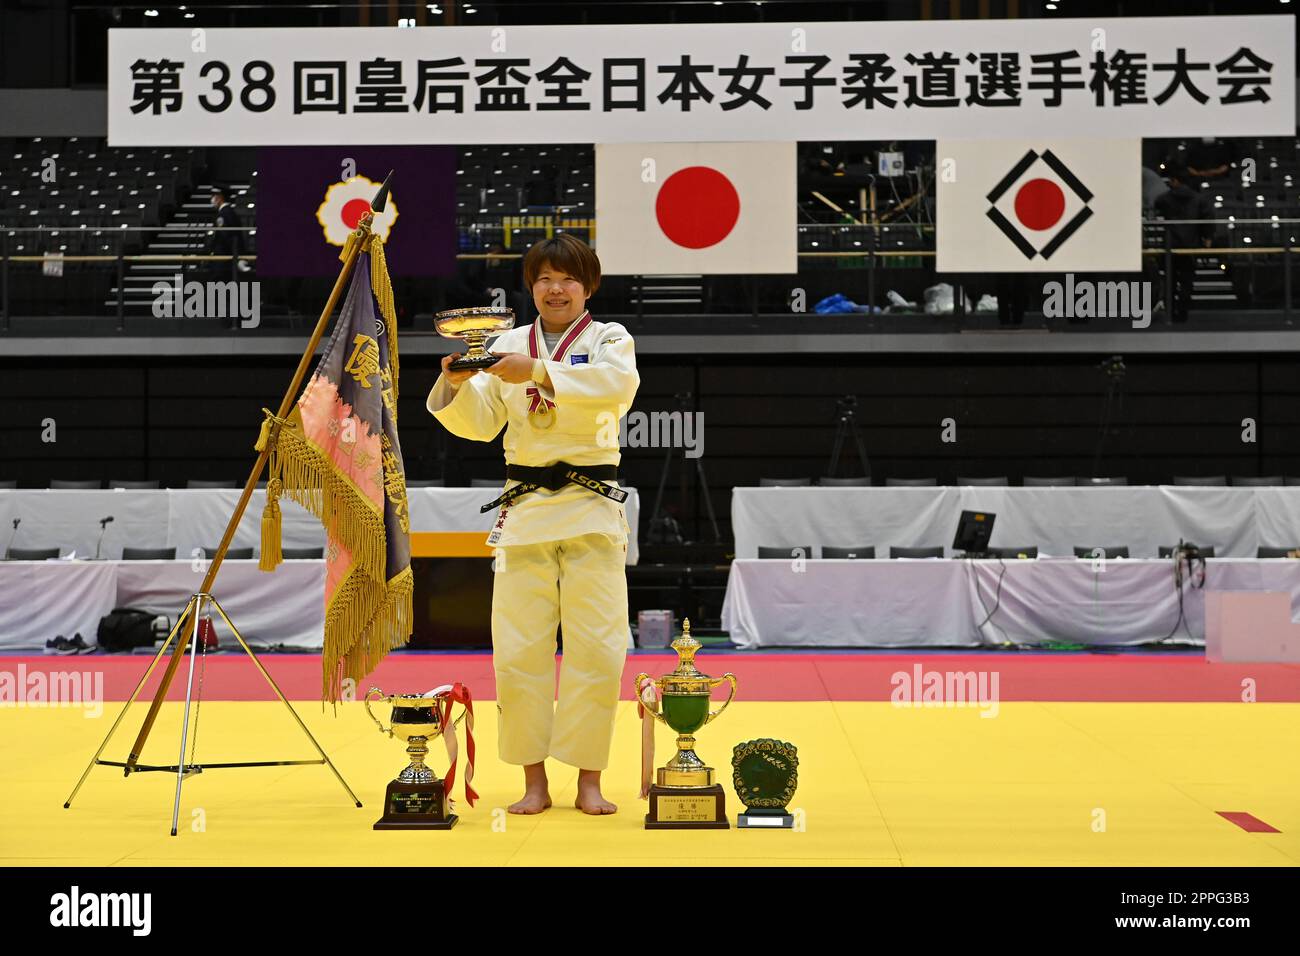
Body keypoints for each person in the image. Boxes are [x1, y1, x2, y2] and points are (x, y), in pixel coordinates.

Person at [427, 233, 639, 815]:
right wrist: (456, 382)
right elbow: (479, 424)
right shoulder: (504, 343)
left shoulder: (609, 340)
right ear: (530, 286)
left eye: (567, 278)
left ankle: (589, 780)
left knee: (597, 649)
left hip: (592, 508)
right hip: (524, 512)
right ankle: (534, 782)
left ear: (587, 285)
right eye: (544, 278)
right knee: (519, 652)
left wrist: (539, 372)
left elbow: (616, 389)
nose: (555, 288)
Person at [1153, 165, 1214, 323]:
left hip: (1170, 246)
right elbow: (1208, 221)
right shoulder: (1199, 199)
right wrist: (1207, 240)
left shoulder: (1164, 199)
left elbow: (1156, 205)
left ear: (1175, 181)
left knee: (1170, 281)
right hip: (1190, 245)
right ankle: (1183, 312)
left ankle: (1171, 312)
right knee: (1187, 281)